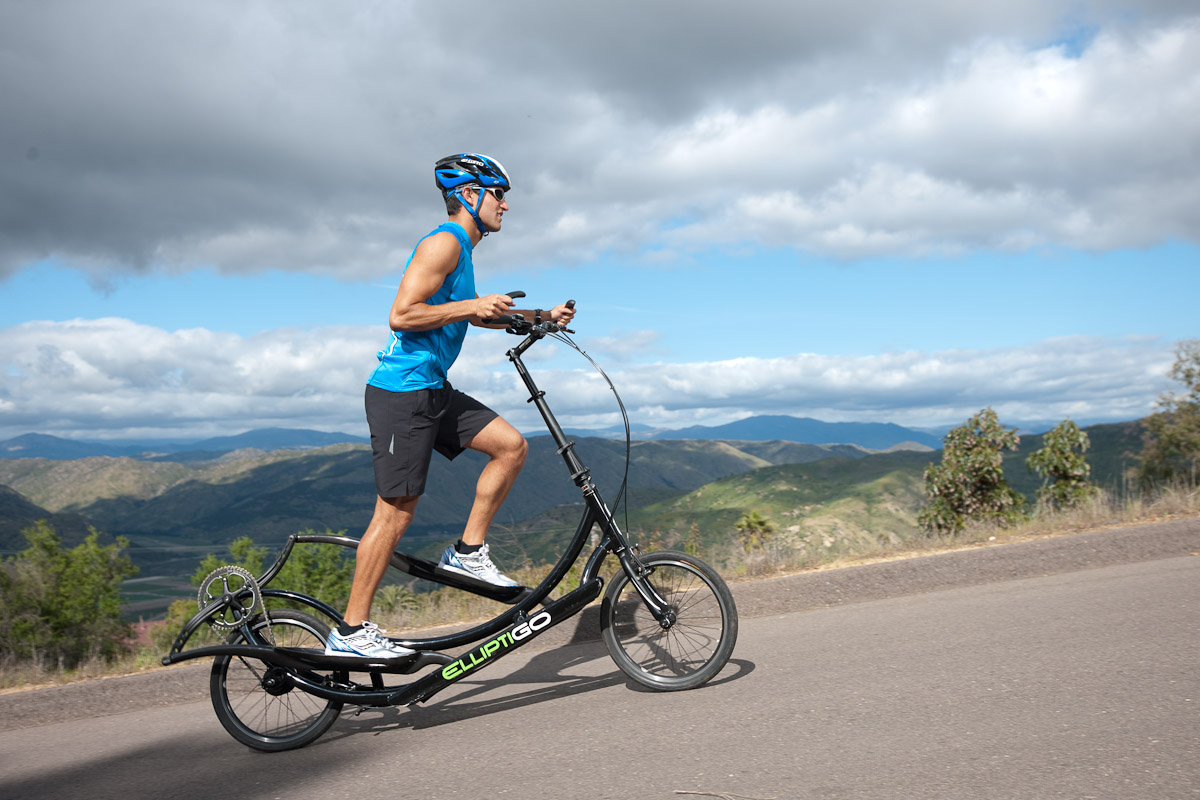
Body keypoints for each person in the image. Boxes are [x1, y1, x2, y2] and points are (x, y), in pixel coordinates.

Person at [325, 153, 577, 658]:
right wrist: (471, 305)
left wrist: (538, 315)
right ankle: (351, 633)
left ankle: (468, 552)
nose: (505, 204)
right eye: (498, 194)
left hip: (433, 387)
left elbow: (475, 314)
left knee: (510, 446)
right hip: (402, 394)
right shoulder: (444, 242)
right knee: (395, 514)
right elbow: (402, 314)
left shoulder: (463, 251)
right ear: (469, 196)